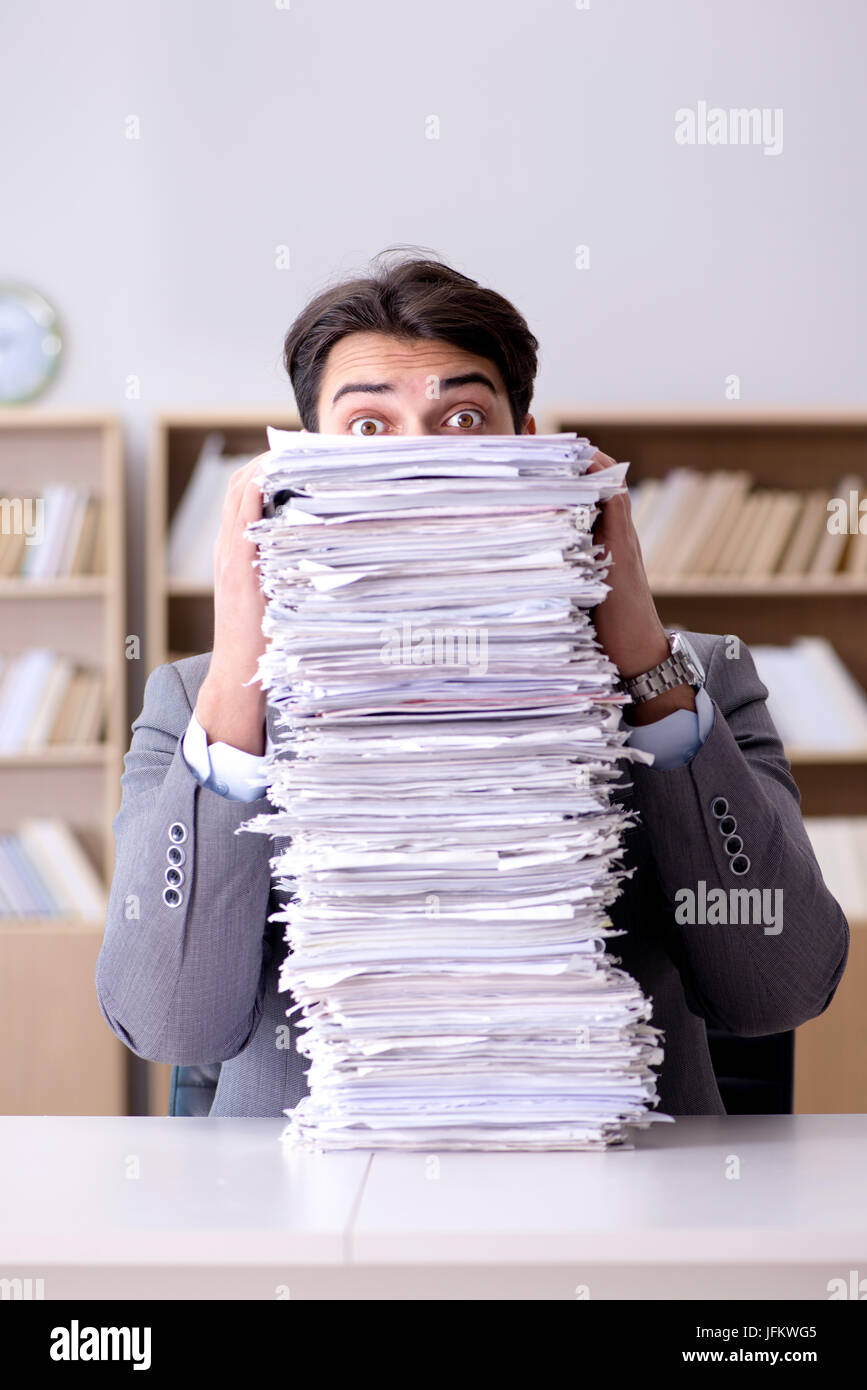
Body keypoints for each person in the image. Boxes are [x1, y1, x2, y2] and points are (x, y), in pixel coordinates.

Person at [95, 250, 849, 1117]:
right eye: (369, 429)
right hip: (300, 1213)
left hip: (624, 1202)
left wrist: (644, 660)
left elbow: (778, 989)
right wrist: (240, 667)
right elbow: (168, 1027)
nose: (418, 465)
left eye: (460, 420)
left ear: (533, 451)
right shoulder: (200, 703)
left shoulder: (696, 675)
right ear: (299, 473)